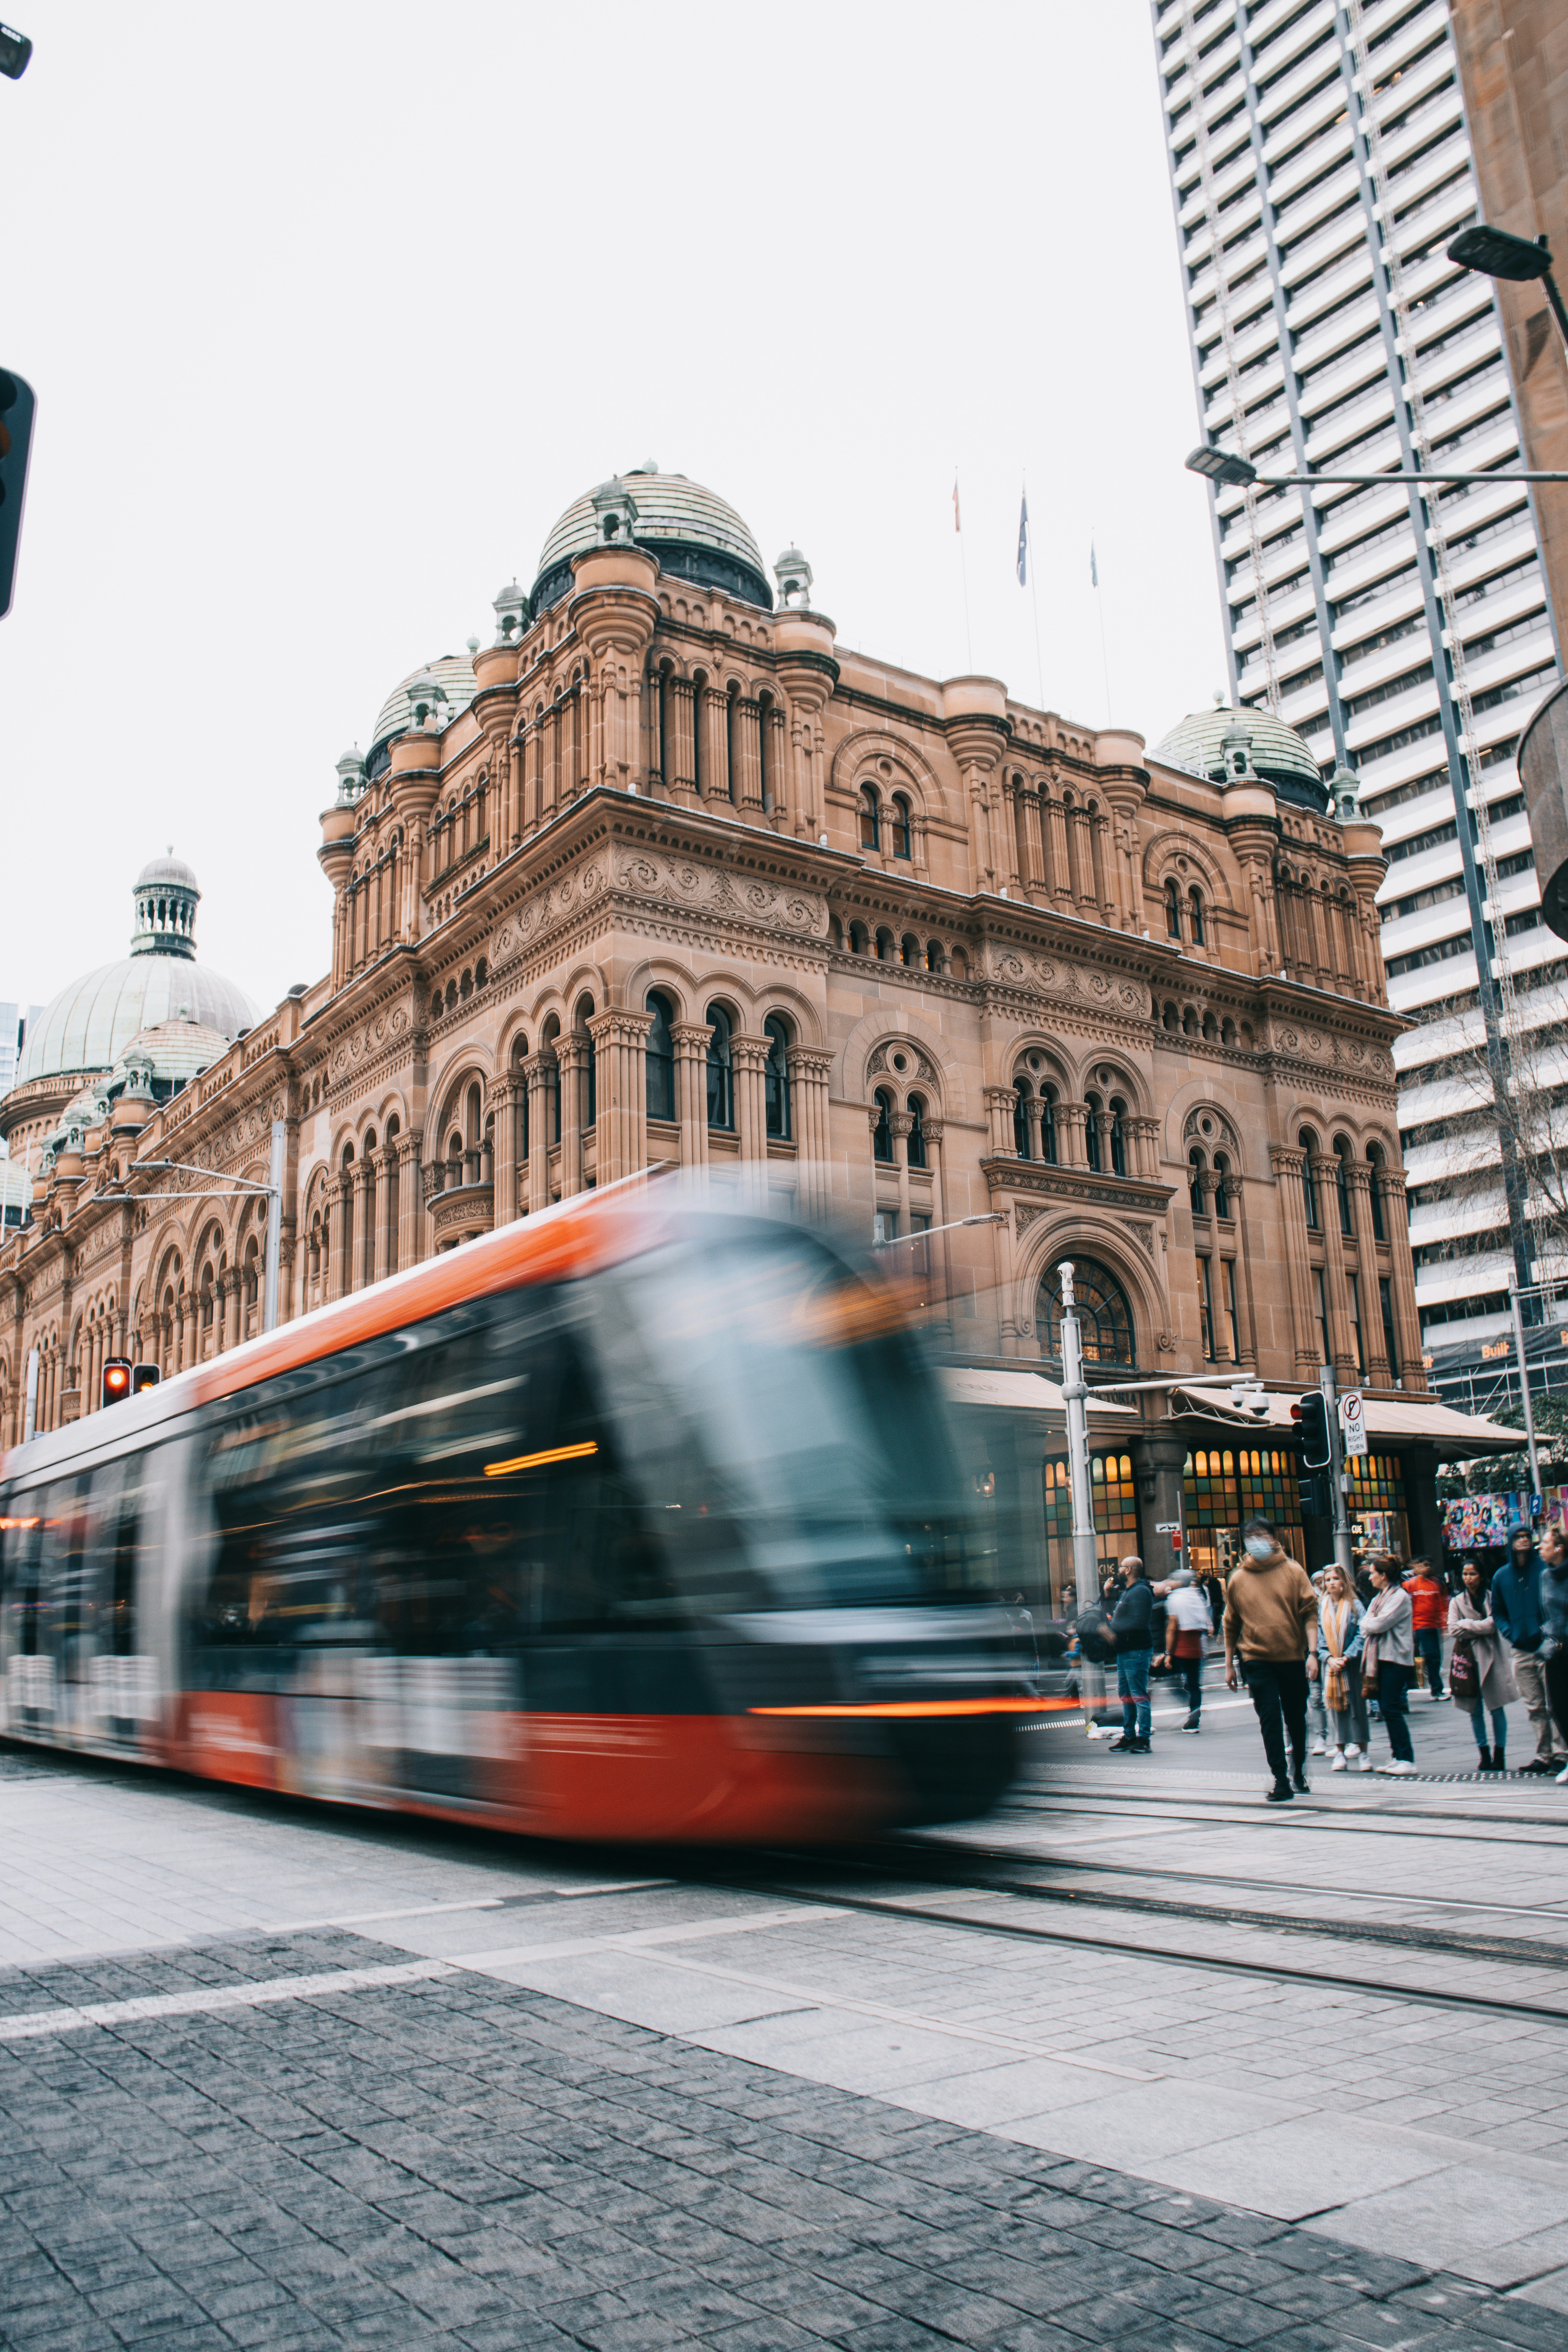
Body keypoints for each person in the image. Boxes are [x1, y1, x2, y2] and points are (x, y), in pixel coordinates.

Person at [1223, 1516, 1320, 1802]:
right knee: (1269, 1720)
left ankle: (1298, 1770)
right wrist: (1229, 1665)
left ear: (1273, 1538)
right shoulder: (1238, 1579)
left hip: (1292, 1657)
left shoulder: (1293, 1570)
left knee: (1296, 1718)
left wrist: (1313, 1654)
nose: (1256, 1540)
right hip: (1256, 1659)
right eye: (1250, 1536)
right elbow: (1231, 1624)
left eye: (1261, 1534)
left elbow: (1310, 1613)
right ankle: (1281, 1780)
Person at [1491, 1523, 1567, 1775]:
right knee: (1534, 1705)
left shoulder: (1545, 1570)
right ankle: (1543, 1754)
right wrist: (1510, 1633)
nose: (1524, 1541)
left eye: (1527, 1536)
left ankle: (1561, 1753)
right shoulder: (1502, 1576)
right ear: (1510, 1541)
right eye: (1518, 1537)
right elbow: (1498, 1611)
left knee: (1554, 1702)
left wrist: (1544, 1632)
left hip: (1545, 1647)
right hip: (1520, 1649)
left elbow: (1554, 1607)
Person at [1447, 1557, 1516, 1773]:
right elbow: (1452, 1629)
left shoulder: (1493, 1598)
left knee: (1497, 1708)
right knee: (1474, 1710)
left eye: (1473, 1574)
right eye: (1465, 1574)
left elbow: (1493, 1626)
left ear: (1482, 1575)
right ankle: (1484, 1754)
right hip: (1468, 1660)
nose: (1469, 1579)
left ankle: (1500, 1754)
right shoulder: (1456, 1602)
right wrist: (1478, 1626)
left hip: (1492, 1657)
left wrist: (1467, 1624)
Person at [1362, 1555, 1416, 1775]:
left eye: (1374, 1573)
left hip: (1396, 1658)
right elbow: (1367, 1623)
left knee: (1391, 1707)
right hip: (1383, 1658)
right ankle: (1397, 1755)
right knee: (1387, 1707)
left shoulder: (1400, 1597)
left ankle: (1407, 1758)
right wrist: (1369, 1625)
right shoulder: (1380, 1597)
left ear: (1384, 1576)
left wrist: (1368, 1625)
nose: (1371, 1577)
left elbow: (1377, 1624)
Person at [1315, 1561, 1369, 1770]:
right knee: (1335, 1710)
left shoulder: (1355, 1604)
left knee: (1357, 1707)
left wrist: (1347, 1656)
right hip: (1330, 1665)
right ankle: (1340, 1752)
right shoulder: (1322, 1606)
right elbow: (1318, 1636)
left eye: (1336, 1579)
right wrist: (1328, 1658)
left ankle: (1363, 1752)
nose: (1332, 1583)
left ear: (1344, 1581)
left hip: (1351, 1664)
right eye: (1328, 1580)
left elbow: (1362, 1633)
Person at [1107, 1554, 1154, 1753]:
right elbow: (1120, 1617)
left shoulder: (1141, 1591)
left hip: (1136, 1651)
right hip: (1126, 1650)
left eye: (1121, 1568)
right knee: (1126, 1695)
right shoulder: (1128, 1591)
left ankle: (1143, 1739)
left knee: (1138, 1695)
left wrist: (1114, 1631)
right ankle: (1129, 1736)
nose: (1117, 1571)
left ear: (1128, 1571)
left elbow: (1138, 1622)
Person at [1158, 1575, 1214, 1731]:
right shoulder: (1196, 1596)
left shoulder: (1175, 1599)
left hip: (1180, 1648)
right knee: (1194, 1684)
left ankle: (1190, 1710)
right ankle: (1194, 1720)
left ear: (1180, 1583)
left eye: (1174, 1580)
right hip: (1196, 1647)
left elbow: (1172, 1627)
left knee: (1171, 1681)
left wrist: (1168, 1653)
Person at [1541, 1525, 1568, 1784]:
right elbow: (1547, 1613)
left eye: (1546, 1543)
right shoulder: (1546, 1577)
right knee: (1557, 1706)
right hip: (1555, 1649)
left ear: (1559, 1549)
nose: (1540, 1547)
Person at [1406, 1557, 1448, 1700]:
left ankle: (1436, 1690)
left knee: (1434, 1658)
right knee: (1429, 1657)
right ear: (1416, 1567)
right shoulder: (1410, 1585)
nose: (1428, 1568)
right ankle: (1436, 1690)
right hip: (1418, 1626)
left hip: (1433, 1626)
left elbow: (1444, 1604)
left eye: (1430, 1565)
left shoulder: (1439, 1584)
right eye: (1425, 1565)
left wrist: (1444, 1624)